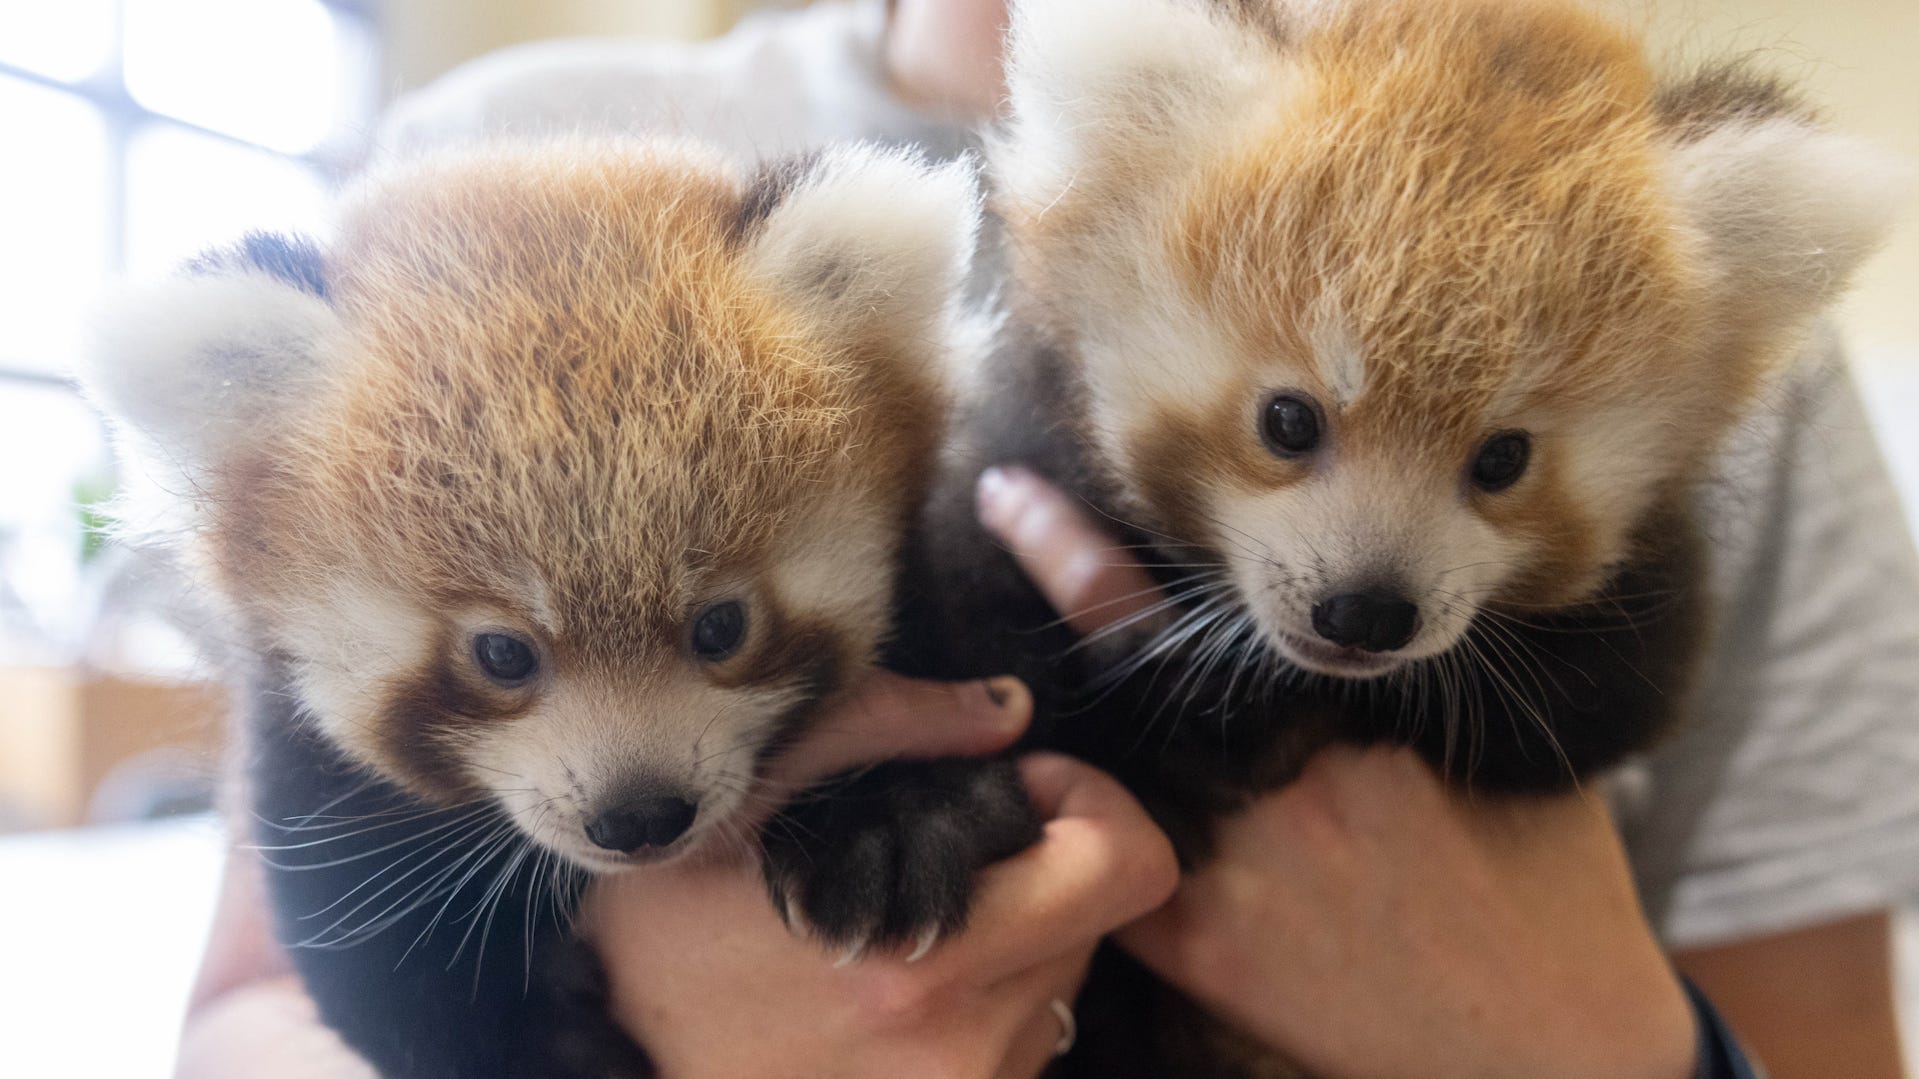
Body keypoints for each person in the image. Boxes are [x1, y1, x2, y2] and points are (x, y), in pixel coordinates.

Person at [181, 1, 1919, 1076]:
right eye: (1290, 429)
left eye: (1497, 465)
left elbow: (1828, 1039)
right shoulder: (465, 189)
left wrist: (1605, 1049)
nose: (1365, 576)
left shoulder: (1676, 326)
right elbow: (255, 1014)